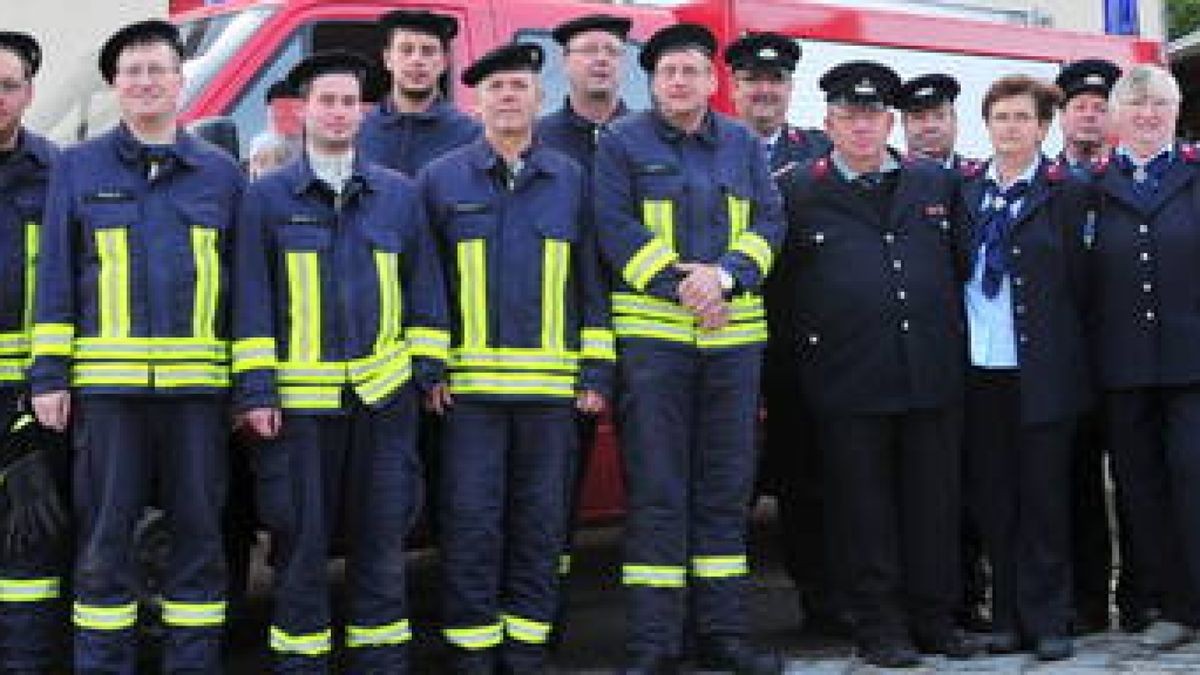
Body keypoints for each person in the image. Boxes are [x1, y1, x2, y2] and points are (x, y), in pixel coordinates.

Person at [29, 19, 245, 672]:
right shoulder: (77, 167)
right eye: (133, 71)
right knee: (105, 546)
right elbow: (57, 276)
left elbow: (245, 292)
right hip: (109, 401)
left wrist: (250, 388)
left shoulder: (221, 174)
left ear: (180, 82)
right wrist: (49, 375)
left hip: (198, 403)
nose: (146, 81)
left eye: (158, 69)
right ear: (115, 86)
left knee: (199, 542)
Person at [231, 49, 448, 672]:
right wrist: (257, 391)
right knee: (300, 546)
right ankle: (302, 662)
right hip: (298, 412)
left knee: (382, 544)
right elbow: (251, 300)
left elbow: (424, 290)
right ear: (302, 111)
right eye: (326, 100)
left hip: (384, 404)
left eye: (349, 102)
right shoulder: (266, 199)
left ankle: (381, 661)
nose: (338, 112)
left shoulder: (398, 196)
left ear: (363, 112)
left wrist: (427, 372)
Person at [595, 23, 785, 674]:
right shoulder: (621, 141)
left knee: (725, 490)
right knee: (657, 490)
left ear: (712, 80)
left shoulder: (742, 142)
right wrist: (684, 285)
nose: (680, 81)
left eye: (691, 70)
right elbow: (614, 226)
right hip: (654, 347)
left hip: (733, 343)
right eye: (668, 71)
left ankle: (724, 635)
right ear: (652, 82)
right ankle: (654, 644)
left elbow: (770, 222)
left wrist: (725, 277)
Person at [778, 60, 978, 668]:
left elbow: (960, 264)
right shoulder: (797, 191)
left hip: (928, 372)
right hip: (847, 379)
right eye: (848, 116)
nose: (861, 127)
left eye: (871, 116)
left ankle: (935, 619)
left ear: (890, 123)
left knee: (933, 507)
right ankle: (880, 626)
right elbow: (783, 292)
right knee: (862, 513)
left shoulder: (934, 184)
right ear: (829, 125)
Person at [420, 42, 612, 674]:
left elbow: (591, 282)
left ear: (538, 98)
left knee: (541, 526)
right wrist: (431, 367)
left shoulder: (572, 179)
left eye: (519, 86)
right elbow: (425, 283)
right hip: (469, 399)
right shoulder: (440, 180)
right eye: (495, 87)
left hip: (552, 399)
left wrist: (596, 371)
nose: (507, 96)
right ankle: (473, 653)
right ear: (475, 102)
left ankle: (526, 650)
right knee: (471, 525)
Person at [960, 75, 1091, 661]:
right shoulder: (965, 191)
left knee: (1044, 499)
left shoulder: (1068, 194)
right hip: (980, 368)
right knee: (995, 498)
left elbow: (1082, 287)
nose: (1010, 128)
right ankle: (1007, 616)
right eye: (1001, 117)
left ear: (1042, 128)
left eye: (1022, 118)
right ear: (986, 125)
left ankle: (1049, 618)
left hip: (1043, 370)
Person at [723, 29, 839, 636]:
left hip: (800, 345)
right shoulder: (709, 147)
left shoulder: (821, 151)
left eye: (775, 80)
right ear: (733, 86)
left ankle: (822, 605)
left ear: (790, 88)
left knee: (807, 479)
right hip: (726, 340)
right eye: (752, 80)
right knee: (726, 484)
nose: (763, 90)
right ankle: (722, 617)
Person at [1087, 64, 1200, 652]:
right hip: (1123, 365)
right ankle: (1168, 603)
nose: (1148, 115)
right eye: (1135, 105)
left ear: (1176, 112)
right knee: (1140, 488)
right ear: (1115, 117)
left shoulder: (1195, 176)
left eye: (1159, 104)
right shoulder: (1089, 187)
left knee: (1191, 476)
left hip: (1191, 364)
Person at [1054, 57, 1138, 635]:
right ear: (1061, 116)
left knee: (1137, 482)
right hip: (1068, 360)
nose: (1089, 114)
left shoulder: (1130, 179)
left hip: (1129, 357)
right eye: (1079, 106)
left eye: (1100, 106)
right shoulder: (1045, 181)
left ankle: (1139, 596)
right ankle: (1085, 601)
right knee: (1075, 484)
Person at [0, 29, 65, 673]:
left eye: (7, 85)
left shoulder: (56, 173)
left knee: (30, 547)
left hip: (29, 403)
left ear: (28, 93)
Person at [358, 9, 480, 176]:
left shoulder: (471, 136)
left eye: (428, 51)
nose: (417, 60)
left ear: (444, 62)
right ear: (387, 59)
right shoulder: (359, 131)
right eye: (406, 50)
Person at [898, 73, 963, 168]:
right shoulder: (884, 175)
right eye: (919, 117)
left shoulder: (980, 174)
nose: (930, 125)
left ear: (954, 120)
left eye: (939, 116)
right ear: (904, 123)